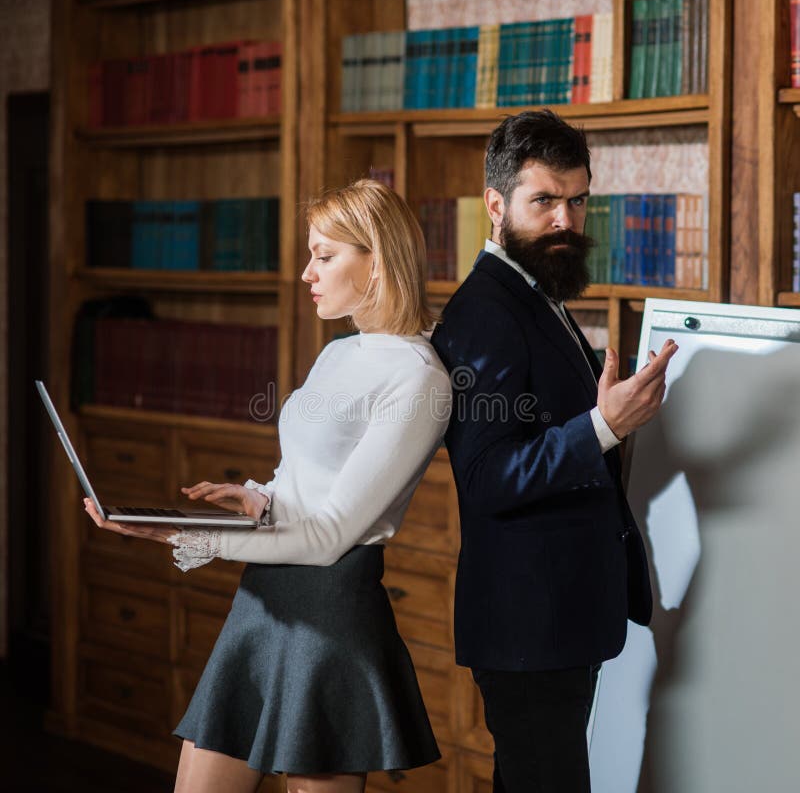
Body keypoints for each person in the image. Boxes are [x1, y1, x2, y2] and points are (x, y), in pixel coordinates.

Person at [85, 179, 452, 793]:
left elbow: (331, 535)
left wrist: (188, 533)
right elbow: (304, 478)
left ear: (377, 259)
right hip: (262, 600)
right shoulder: (339, 353)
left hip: (329, 615)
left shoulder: (420, 380)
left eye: (325, 255)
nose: (308, 272)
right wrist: (260, 497)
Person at [429, 109, 678, 793]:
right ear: (496, 203)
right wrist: (603, 424)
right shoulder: (484, 311)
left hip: (558, 618)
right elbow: (485, 475)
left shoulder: (539, 291)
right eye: (545, 201)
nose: (567, 220)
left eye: (577, 199)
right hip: (525, 626)